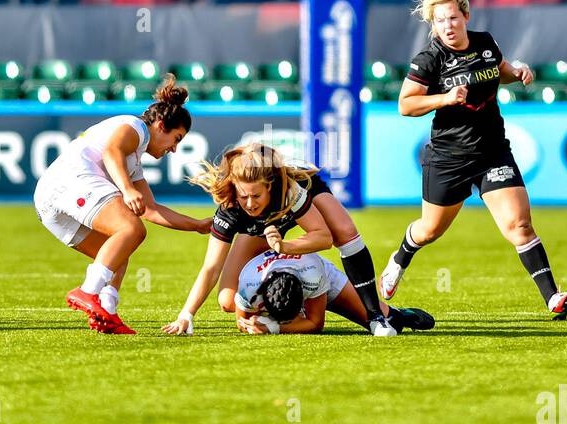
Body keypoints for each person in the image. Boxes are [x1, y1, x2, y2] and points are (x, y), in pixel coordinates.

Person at [380, 0, 567, 319]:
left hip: (492, 151)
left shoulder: (485, 43)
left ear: (466, 16)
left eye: (453, 18)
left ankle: (552, 297)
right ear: (433, 24)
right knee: (428, 231)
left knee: (519, 225)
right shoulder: (429, 59)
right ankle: (399, 258)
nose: (448, 26)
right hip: (448, 157)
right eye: (441, 21)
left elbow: (496, 69)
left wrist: (518, 73)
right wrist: (444, 98)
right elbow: (405, 105)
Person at [162, 142, 399, 337]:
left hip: (305, 189)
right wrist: (186, 315)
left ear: (269, 187)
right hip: (261, 228)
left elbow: (324, 237)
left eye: (256, 195)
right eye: (244, 196)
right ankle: (306, 294)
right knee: (227, 301)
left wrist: (285, 247)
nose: (250, 203)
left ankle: (379, 314)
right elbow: (211, 267)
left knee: (344, 231)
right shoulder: (231, 207)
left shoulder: (289, 190)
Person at [35, 75, 211, 335]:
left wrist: (197, 225)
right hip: (69, 183)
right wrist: (127, 190)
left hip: (49, 201)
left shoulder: (134, 159)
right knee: (131, 230)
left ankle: (107, 313)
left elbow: (150, 209)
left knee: (118, 252)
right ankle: (88, 291)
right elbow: (111, 152)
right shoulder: (136, 127)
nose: (174, 149)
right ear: (161, 125)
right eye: (177, 138)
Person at [231, 250, 434, 335]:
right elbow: (241, 320)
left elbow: (315, 323)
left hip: (325, 279)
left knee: (385, 322)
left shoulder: (312, 273)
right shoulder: (249, 284)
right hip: (280, 278)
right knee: (225, 302)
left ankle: (399, 314)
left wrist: (275, 328)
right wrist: (251, 325)